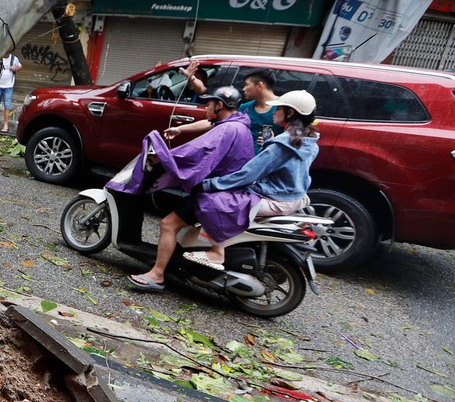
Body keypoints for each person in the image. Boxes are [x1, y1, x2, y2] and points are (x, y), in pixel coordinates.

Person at [109, 86, 254, 291]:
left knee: (169, 224)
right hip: (227, 191)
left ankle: (157, 274)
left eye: (209, 103)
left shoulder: (226, 129)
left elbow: (196, 153)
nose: (205, 108)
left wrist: (163, 156)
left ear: (220, 105)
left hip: (214, 195)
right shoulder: (240, 127)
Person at [186, 90, 321, 269]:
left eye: (279, 108)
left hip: (275, 198)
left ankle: (217, 253)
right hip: (292, 196)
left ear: (290, 113)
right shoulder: (308, 140)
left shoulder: (281, 145)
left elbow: (247, 175)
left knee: (213, 200)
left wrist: (209, 184)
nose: (274, 112)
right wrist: (271, 145)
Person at [165, 69, 279, 152]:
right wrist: (180, 129)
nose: (244, 89)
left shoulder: (284, 109)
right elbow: (218, 122)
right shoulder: (245, 108)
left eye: (246, 85)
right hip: (243, 162)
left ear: (259, 85)